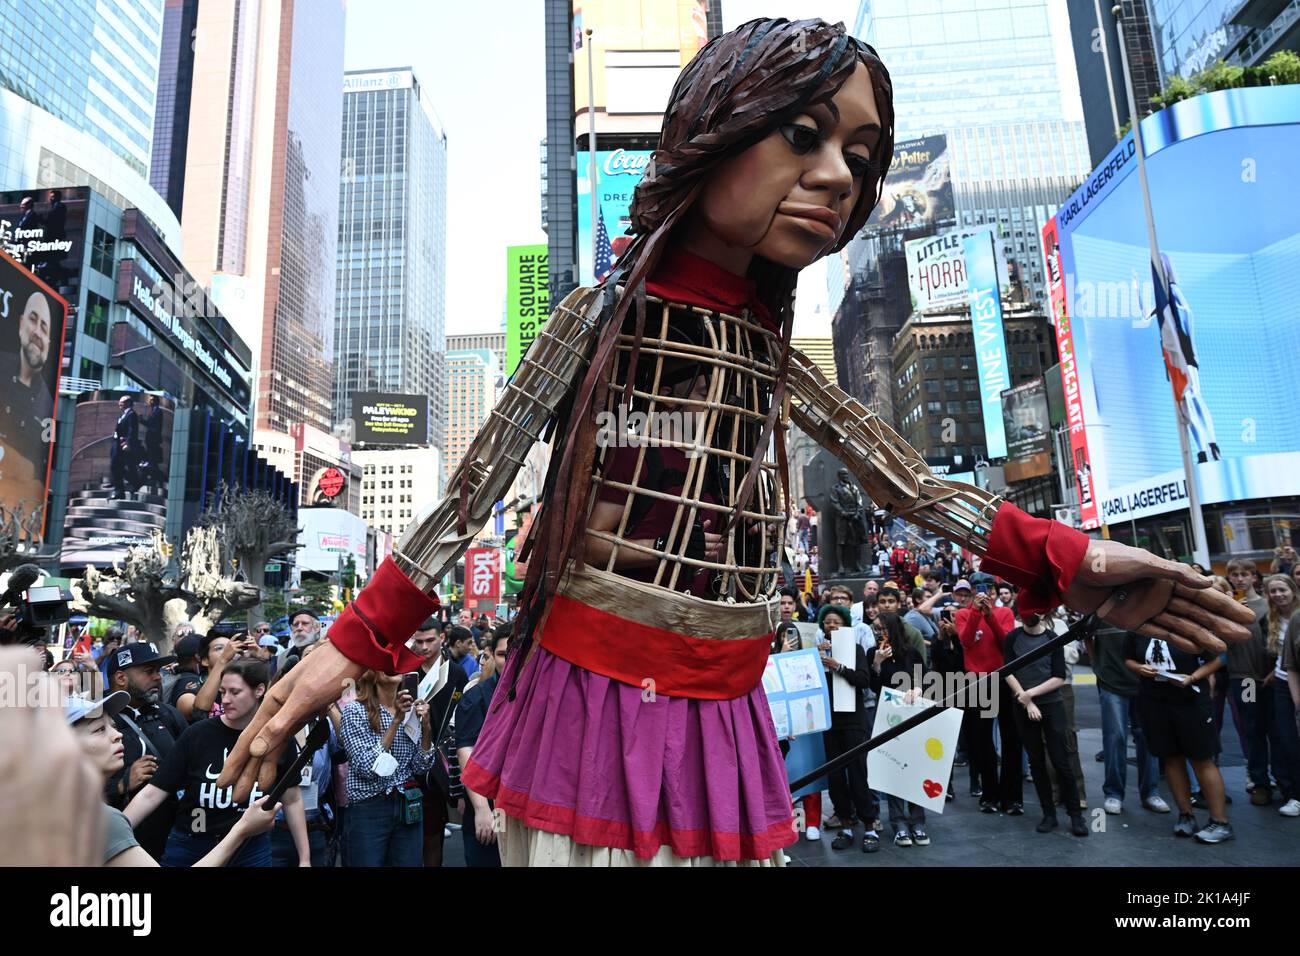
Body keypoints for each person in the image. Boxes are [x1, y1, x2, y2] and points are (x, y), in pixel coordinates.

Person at [213, 18, 1255, 868]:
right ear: (716, 131)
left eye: (857, 152)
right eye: (802, 133)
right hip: (593, 697)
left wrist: (1071, 556)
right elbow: (470, 493)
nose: (839, 175)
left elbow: (906, 479)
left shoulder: (769, 354)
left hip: (727, 707)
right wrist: (342, 649)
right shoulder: (598, 315)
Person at [123, 658, 309, 866]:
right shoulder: (198, 734)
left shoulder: (276, 738)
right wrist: (114, 834)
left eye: (235, 692)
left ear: (259, 691)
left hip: (250, 848)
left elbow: (292, 799)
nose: (225, 700)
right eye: (222, 692)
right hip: (192, 844)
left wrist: (304, 859)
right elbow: (153, 792)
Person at [67, 689, 281, 866]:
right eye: (99, 730)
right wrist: (242, 830)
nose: (118, 735)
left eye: (113, 727)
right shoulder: (101, 818)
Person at [1124, 627, 1232, 843]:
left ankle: (1220, 822)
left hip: (1190, 700)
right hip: (1154, 700)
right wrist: (1140, 668)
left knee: (1201, 758)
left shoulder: (1188, 625)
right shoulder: (1139, 626)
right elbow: (1128, 658)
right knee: (1170, 757)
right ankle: (1186, 815)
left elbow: (1221, 657)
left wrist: (1192, 677)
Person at [1003, 605, 1088, 837]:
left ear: (1042, 613)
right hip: (1023, 706)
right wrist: (1027, 701)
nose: (1031, 615)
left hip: (1051, 704)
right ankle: (1048, 813)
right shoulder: (1012, 638)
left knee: (1061, 760)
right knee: (1036, 762)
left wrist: (1032, 695)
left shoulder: (1052, 638)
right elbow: (1008, 671)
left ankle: (1075, 815)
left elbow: (1059, 676)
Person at [340, 667, 435, 866]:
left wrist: (426, 728)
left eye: (398, 664)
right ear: (371, 673)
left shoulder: (412, 710)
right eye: (385, 664)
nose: (393, 668)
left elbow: (421, 766)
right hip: (369, 807)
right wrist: (396, 720)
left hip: (407, 802)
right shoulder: (355, 711)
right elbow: (367, 767)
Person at [103, 640, 188, 859]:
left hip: (172, 838)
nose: (158, 677)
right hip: (117, 842)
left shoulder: (168, 714)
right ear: (121, 678)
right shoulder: (96, 719)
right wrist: (121, 784)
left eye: (158, 671)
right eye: (148, 671)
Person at [816, 604, 881, 853]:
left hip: (854, 721)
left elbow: (864, 681)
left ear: (845, 626)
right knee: (835, 777)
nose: (831, 626)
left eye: (836, 622)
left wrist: (838, 666)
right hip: (830, 722)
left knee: (857, 774)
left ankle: (870, 826)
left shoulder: (855, 650)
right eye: (827, 622)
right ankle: (844, 825)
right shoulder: (817, 653)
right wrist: (818, 660)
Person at [1086, 623, 1169, 816]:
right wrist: (1094, 662)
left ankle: (1150, 792)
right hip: (1111, 680)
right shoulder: (1101, 608)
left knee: (1148, 737)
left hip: (1145, 682)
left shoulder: (1146, 605)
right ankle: (1114, 793)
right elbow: (1086, 634)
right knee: (1115, 736)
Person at [867, 611, 930, 846]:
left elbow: (924, 679)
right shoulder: (872, 653)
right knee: (894, 769)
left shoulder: (910, 652)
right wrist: (877, 663)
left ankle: (918, 822)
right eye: (875, 629)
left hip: (913, 716)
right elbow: (873, 688)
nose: (879, 633)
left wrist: (917, 689)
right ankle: (899, 824)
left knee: (915, 769)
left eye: (882, 628)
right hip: (888, 718)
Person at [409, 617, 468, 866]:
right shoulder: (406, 670)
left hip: (440, 762)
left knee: (433, 834)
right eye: (419, 641)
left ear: (442, 638)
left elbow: (464, 717)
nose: (424, 647)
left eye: (430, 640)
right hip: (406, 760)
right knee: (407, 837)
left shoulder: (455, 673)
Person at [954, 580, 1017, 811]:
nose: (985, 595)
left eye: (989, 591)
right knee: (980, 741)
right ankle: (990, 793)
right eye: (980, 592)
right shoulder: (962, 613)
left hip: (1003, 679)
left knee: (1010, 738)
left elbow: (1007, 643)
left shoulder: (1005, 612)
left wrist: (990, 615)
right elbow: (966, 641)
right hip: (977, 681)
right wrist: (975, 613)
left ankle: (1011, 796)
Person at [1213, 572, 1273, 805]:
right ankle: (1258, 780)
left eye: (1244, 574)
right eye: (1235, 575)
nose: (1240, 579)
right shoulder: (1229, 609)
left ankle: (1277, 778)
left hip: (1270, 677)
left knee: (1276, 730)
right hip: (1245, 678)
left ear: (1254, 578)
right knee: (1251, 725)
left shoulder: (1268, 606)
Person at [456, 629, 509, 866]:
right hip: (491, 804)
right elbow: (466, 750)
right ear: (490, 654)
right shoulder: (476, 696)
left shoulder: (540, 695)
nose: (509, 661)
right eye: (503, 654)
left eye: (516, 653)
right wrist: (481, 808)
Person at [0, 289, 55, 476]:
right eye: (33, 320)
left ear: (49, 342)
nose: (38, 332)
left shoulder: (49, 404)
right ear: (21, 323)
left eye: (44, 327)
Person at [1262, 575, 1300, 817]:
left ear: (1293, 590)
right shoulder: (1266, 618)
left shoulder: (1297, 617)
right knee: (1282, 738)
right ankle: (1261, 783)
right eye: (1273, 591)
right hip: (1266, 684)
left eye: (1282, 589)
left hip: (1283, 681)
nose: (1278, 594)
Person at [110, 394, 141, 500]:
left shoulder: (132, 415)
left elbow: (132, 431)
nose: (119, 404)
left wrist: (127, 443)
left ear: (128, 403)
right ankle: (120, 489)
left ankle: (123, 488)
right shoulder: (122, 415)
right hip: (116, 443)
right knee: (116, 466)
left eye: (122, 402)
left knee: (118, 466)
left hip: (123, 444)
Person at [142, 394, 166, 491]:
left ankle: (159, 479)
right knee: (152, 461)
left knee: (152, 461)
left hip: (153, 439)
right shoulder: (153, 411)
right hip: (150, 439)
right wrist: (142, 421)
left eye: (152, 400)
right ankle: (157, 479)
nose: (150, 402)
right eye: (150, 400)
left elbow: (154, 426)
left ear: (156, 401)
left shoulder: (158, 411)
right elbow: (149, 424)